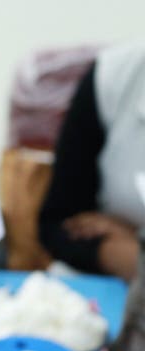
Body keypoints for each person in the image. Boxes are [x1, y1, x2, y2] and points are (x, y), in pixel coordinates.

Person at [39, 42, 145, 281]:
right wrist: (118, 253)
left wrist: (136, 243)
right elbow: (59, 225)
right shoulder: (114, 76)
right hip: (109, 283)